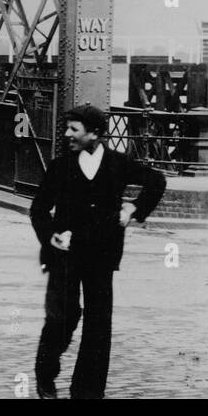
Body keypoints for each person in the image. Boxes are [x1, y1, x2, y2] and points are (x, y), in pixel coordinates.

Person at [30, 104, 166, 400]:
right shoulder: (60, 166)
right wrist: (51, 236)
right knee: (62, 317)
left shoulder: (118, 163)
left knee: (98, 323)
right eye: (66, 128)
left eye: (73, 129)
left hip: (102, 254)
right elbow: (38, 209)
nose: (67, 134)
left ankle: (88, 392)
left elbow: (157, 180)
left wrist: (133, 209)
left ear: (93, 133)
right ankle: (45, 373)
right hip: (65, 254)